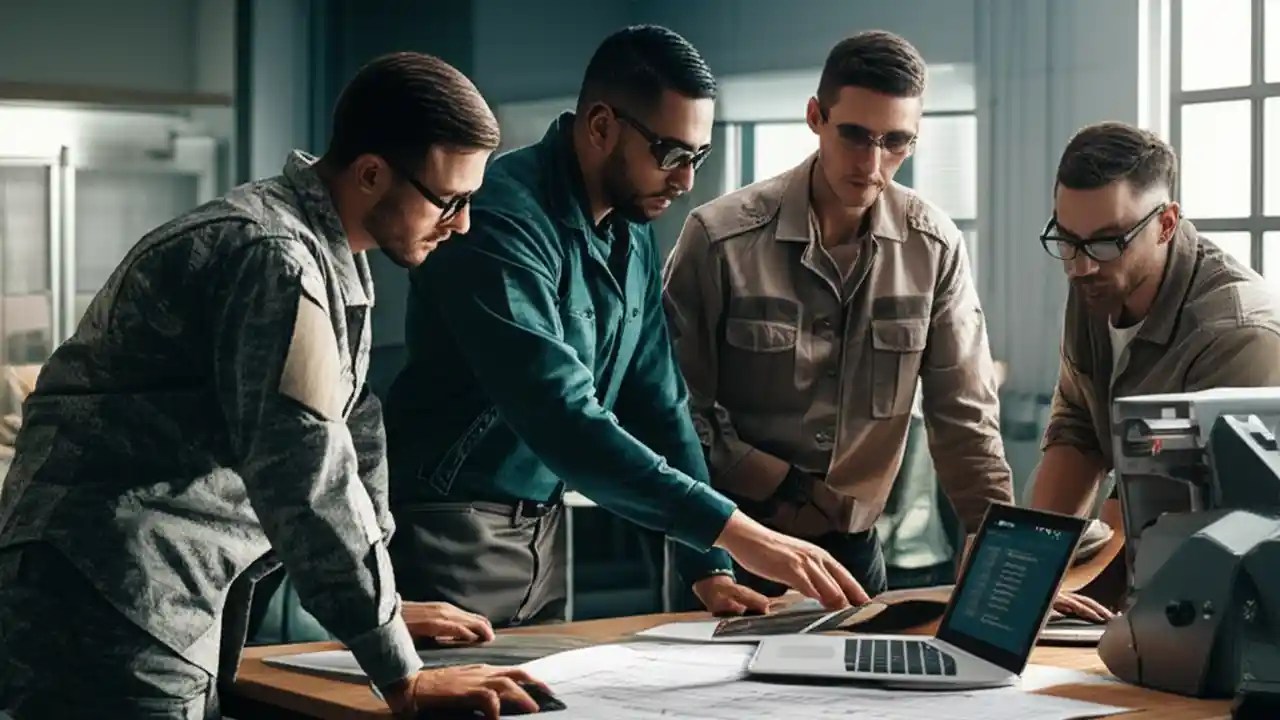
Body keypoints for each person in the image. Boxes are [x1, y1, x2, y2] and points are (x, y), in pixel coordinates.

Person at [0, 52, 549, 720]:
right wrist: (401, 674)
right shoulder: (275, 258)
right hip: (107, 595)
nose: (461, 223)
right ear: (372, 173)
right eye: (450, 199)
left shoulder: (321, 252)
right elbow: (305, 473)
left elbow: (350, 432)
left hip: (142, 592)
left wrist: (385, 607)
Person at [383, 25, 867, 627]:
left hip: (548, 529)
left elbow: (660, 404)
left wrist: (711, 562)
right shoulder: (499, 222)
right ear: (601, 126)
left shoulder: (630, 228)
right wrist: (740, 532)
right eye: (670, 154)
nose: (687, 180)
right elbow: (560, 413)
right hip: (448, 530)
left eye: (699, 156)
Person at [663, 31, 1014, 601]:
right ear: (815, 117)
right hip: (731, 545)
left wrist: (1002, 552)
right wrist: (780, 487)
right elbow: (677, 411)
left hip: (853, 555)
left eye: (896, 142)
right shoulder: (719, 238)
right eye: (855, 135)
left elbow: (966, 415)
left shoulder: (935, 247)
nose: (872, 165)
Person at [1030, 122, 1280, 525]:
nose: (1080, 266)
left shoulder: (1235, 334)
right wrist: (1029, 551)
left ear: (1165, 225)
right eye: (1067, 239)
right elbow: (1079, 422)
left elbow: (1160, 509)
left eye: (1107, 242)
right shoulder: (1096, 277)